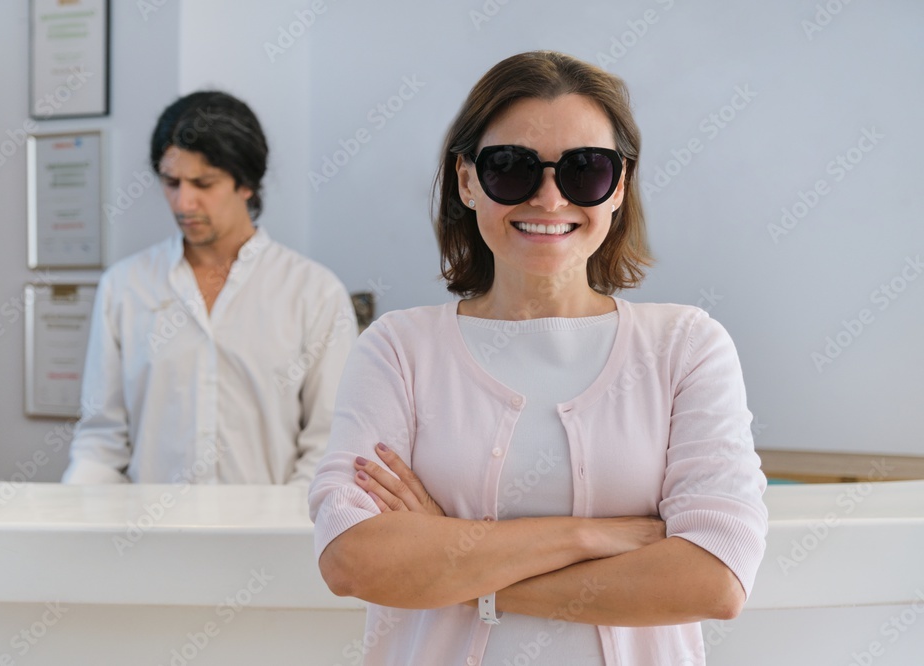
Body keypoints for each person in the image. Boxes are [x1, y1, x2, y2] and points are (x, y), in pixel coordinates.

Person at [309, 51, 767, 665]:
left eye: (585, 171)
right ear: (467, 181)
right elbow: (354, 559)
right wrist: (591, 536)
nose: (550, 200)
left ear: (619, 186)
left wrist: (455, 563)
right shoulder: (398, 350)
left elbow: (713, 579)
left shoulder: (685, 347)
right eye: (511, 168)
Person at [63, 91, 356, 486]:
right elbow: (101, 441)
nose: (184, 202)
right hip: (147, 538)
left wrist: (282, 533)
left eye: (204, 183)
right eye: (171, 182)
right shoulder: (125, 287)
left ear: (246, 184)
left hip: (267, 539)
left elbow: (328, 445)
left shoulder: (313, 292)